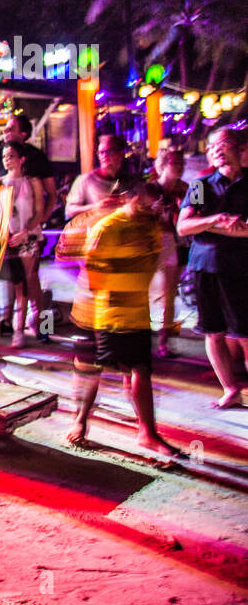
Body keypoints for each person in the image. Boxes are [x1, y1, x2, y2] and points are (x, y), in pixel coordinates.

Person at [67, 181, 183, 458]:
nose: (153, 209)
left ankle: (146, 432)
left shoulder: (151, 227)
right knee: (92, 369)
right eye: (147, 203)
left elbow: (155, 265)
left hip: (135, 313)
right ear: (130, 199)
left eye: (157, 205)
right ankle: (80, 421)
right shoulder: (107, 228)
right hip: (103, 313)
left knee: (138, 370)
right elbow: (91, 275)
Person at [177, 126, 248, 409]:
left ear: (240, 149)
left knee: (244, 333)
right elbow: (184, 226)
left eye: (223, 144)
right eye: (212, 147)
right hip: (204, 267)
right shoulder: (200, 186)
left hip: (240, 268)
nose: (216, 150)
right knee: (213, 330)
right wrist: (218, 219)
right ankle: (230, 389)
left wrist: (208, 226)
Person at [0, 115, 56, 337]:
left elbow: (50, 195)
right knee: (14, 280)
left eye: (10, 128)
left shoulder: (36, 158)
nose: (5, 131)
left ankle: (42, 326)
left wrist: (36, 226)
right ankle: (13, 324)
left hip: (29, 230)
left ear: (23, 133)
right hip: (8, 231)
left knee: (31, 278)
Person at [0, 141, 47, 349]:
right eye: (4, 157)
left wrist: (25, 233)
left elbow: (39, 212)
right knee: (20, 284)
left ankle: (40, 327)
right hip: (8, 238)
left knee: (30, 283)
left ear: (21, 159)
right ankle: (31, 327)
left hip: (29, 237)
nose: (7, 160)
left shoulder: (31, 181)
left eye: (10, 156)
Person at [151, 142, 189, 356]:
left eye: (181, 163)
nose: (179, 166)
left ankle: (165, 341)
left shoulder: (187, 189)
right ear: (163, 165)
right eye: (175, 162)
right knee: (144, 290)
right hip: (151, 242)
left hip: (173, 243)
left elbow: (197, 212)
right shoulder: (151, 188)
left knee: (169, 294)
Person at [65, 134, 134, 220]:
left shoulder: (130, 181)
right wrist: (96, 207)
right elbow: (69, 211)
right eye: (101, 152)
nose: (104, 156)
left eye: (109, 151)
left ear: (120, 154)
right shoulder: (85, 180)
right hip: (96, 231)